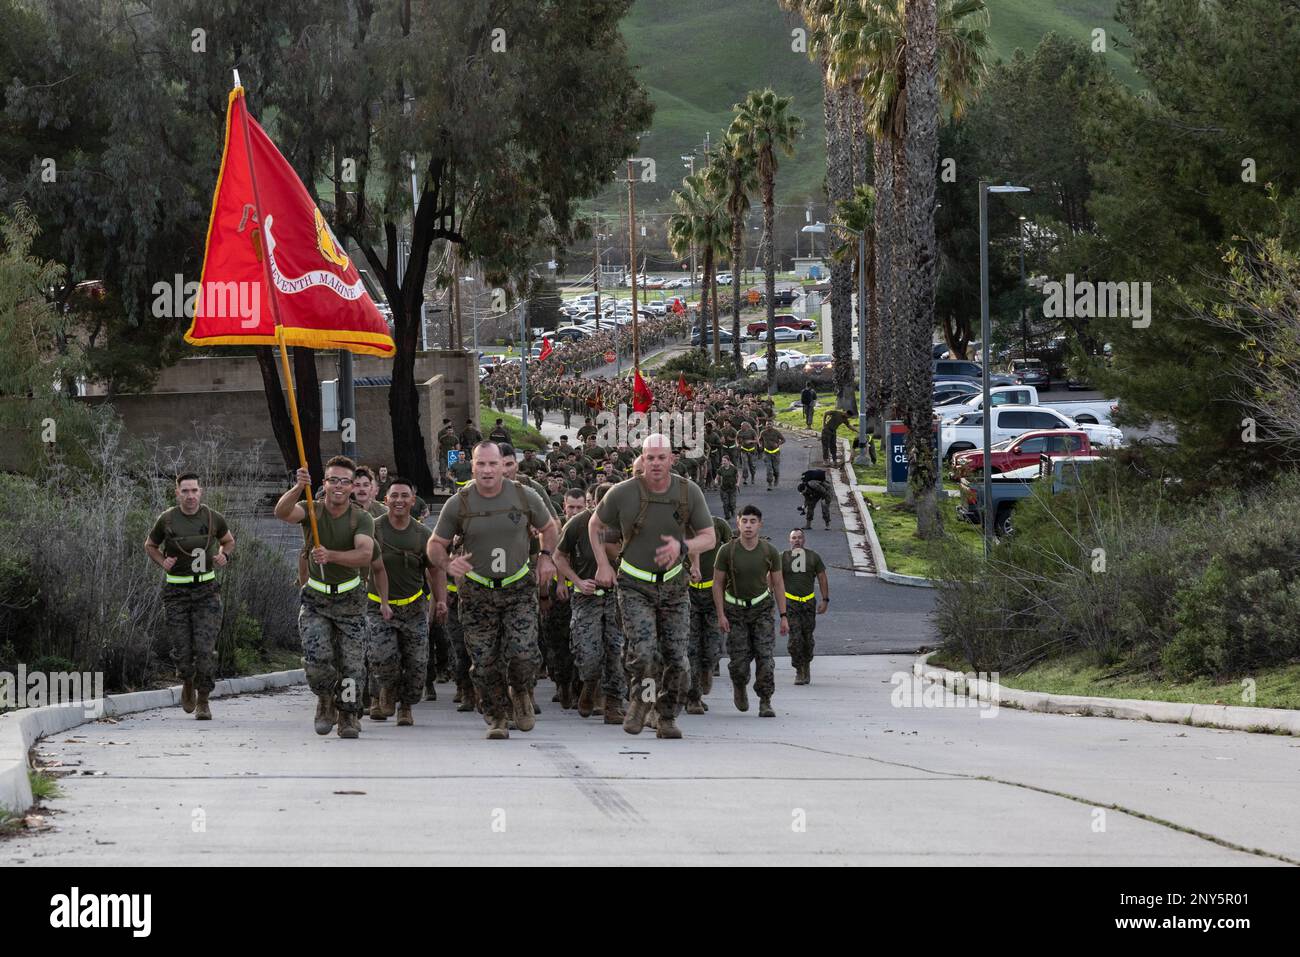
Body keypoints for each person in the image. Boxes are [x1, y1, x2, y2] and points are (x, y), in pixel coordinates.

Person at [427, 442, 558, 740]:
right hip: (477, 593)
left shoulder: (524, 496)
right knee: (484, 664)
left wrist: (546, 557)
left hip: (518, 589)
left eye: (492, 464)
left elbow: (550, 527)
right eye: (481, 464)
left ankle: (522, 690)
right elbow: (435, 544)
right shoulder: (459, 502)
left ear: (503, 466)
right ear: (471, 467)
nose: (487, 470)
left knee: (523, 653)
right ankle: (498, 716)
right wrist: (447, 563)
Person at [588, 434, 716, 739]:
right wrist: (603, 564)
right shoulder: (622, 493)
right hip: (634, 585)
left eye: (661, 457)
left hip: (673, 587)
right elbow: (594, 525)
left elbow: (709, 537)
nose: (655, 463)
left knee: (676, 658)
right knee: (643, 654)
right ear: (642, 459)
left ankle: (667, 716)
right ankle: (640, 701)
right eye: (650, 457)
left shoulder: (688, 492)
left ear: (672, 459)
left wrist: (682, 547)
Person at [275, 456, 383, 739]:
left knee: (352, 663)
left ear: (351, 487)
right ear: (324, 484)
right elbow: (282, 512)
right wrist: (299, 487)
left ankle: (348, 715)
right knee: (317, 659)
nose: (338, 486)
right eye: (332, 480)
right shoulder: (312, 510)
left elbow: (365, 554)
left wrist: (331, 556)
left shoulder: (361, 518)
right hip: (316, 599)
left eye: (344, 481)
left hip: (350, 598)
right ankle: (324, 701)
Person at [143, 473, 235, 721]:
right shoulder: (167, 519)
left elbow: (228, 541)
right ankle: (187, 681)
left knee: (205, 650)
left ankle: (203, 699)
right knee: (183, 651)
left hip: (206, 592)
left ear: (201, 491)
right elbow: (150, 545)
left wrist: (224, 555)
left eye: (194, 490)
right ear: (177, 493)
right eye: (185, 491)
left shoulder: (212, 517)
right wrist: (163, 561)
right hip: (176, 594)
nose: (190, 496)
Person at [554, 484, 626, 724]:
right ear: (593, 503)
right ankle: (589, 684)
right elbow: (559, 556)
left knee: (616, 651)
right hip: (586, 598)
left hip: (616, 599)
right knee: (588, 652)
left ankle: (613, 703)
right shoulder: (578, 523)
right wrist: (575, 580)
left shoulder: (625, 522)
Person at [368, 477, 434, 726]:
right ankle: (385, 691)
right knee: (383, 657)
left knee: (417, 664)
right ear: (385, 500)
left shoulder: (422, 534)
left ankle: (405, 706)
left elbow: (435, 570)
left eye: (404, 496)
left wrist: (439, 601)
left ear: (413, 500)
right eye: (394, 496)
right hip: (377, 605)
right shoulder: (373, 528)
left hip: (414, 607)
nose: (399, 500)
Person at [713, 505, 787, 719]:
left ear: (760, 525)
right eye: (744, 521)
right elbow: (717, 584)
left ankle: (765, 701)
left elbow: (779, 583)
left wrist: (783, 616)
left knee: (765, 657)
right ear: (738, 523)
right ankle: (739, 685)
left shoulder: (769, 551)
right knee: (738, 661)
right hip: (734, 610)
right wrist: (721, 615)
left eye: (753, 521)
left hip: (762, 608)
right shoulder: (727, 551)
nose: (748, 525)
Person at [685, 513, 731, 715]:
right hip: (689, 592)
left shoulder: (718, 525)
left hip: (714, 593)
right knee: (691, 648)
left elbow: (730, 553)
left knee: (713, 648)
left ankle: (707, 670)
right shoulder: (682, 525)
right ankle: (693, 697)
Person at [781, 529, 829, 685]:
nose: (797, 540)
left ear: (804, 539)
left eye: (799, 537)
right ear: (789, 540)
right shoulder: (783, 557)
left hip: (808, 603)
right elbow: (773, 578)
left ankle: (806, 664)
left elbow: (822, 577)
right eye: (793, 538)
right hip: (790, 603)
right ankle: (799, 670)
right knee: (795, 638)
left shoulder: (813, 556)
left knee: (807, 638)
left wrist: (825, 599)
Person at [759, 419, 785, 490]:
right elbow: (760, 440)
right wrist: (761, 445)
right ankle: (769, 483)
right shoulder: (763, 432)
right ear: (765, 425)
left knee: (776, 469)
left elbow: (783, 440)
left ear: (772, 425)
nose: (768, 425)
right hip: (766, 453)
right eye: (767, 424)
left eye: (770, 424)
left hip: (775, 453)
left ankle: (776, 478)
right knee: (769, 469)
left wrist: (778, 444)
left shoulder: (776, 432)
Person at [717, 453, 739, 520]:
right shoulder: (721, 469)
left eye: (725, 461)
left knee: (732, 503)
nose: (723, 462)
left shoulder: (733, 468)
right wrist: (715, 481)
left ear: (728, 461)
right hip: (724, 489)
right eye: (722, 461)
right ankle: (727, 516)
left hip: (732, 489)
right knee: (725, 503)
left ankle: (732, 510)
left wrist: (737, 483)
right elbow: (717, 477)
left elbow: (738, 475)